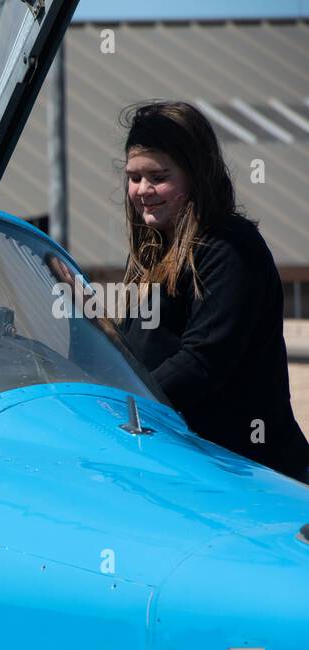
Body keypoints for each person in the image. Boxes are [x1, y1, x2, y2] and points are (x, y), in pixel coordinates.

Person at [116, 101, 309, 481]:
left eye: (158, 176)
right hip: (193, 465)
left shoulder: (229, 248)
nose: (142, 190)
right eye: (134, 177)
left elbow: (202, 362)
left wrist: (127, 401)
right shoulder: (158, 250)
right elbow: (136, 351)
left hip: (254, 475)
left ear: (195, 175)